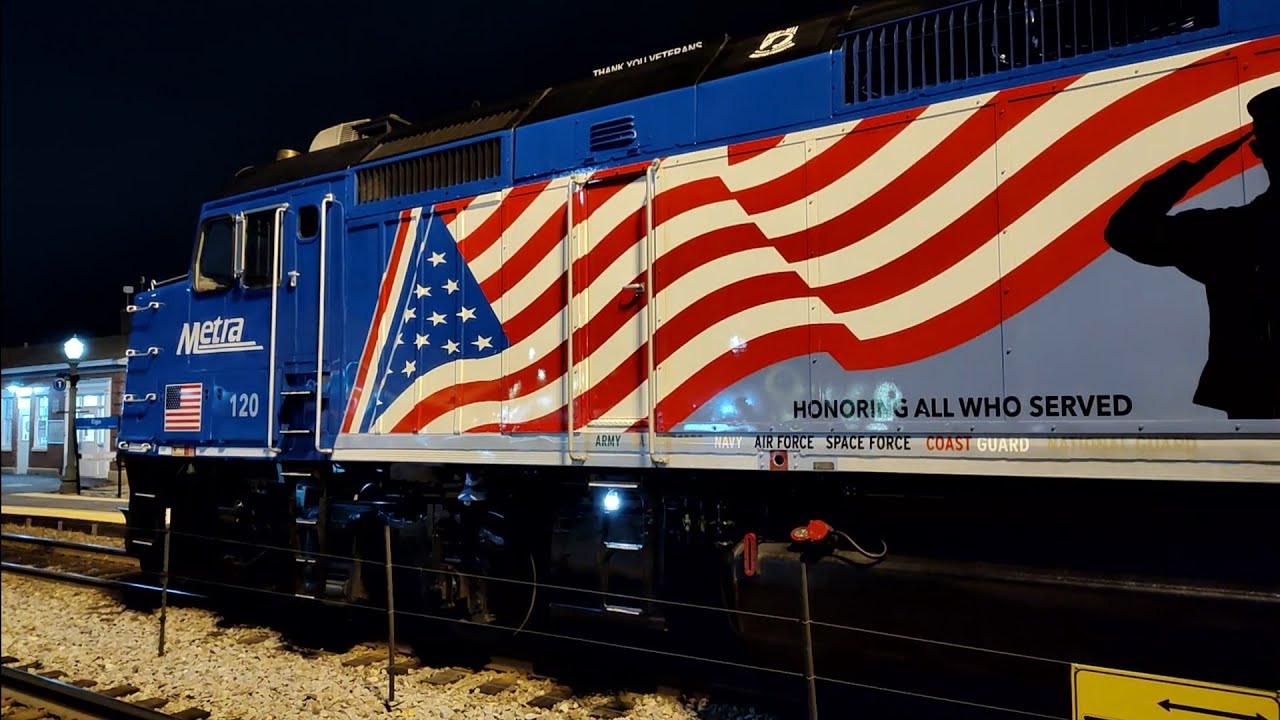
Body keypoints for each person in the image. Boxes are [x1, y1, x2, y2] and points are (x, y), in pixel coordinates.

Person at [1104, 86, 1279, 419]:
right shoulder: (1234, 231)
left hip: (1260, 410)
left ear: (1259, 150)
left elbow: (1126, 228)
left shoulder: (1233, 234)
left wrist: (1202, 166)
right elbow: (1125, 231)